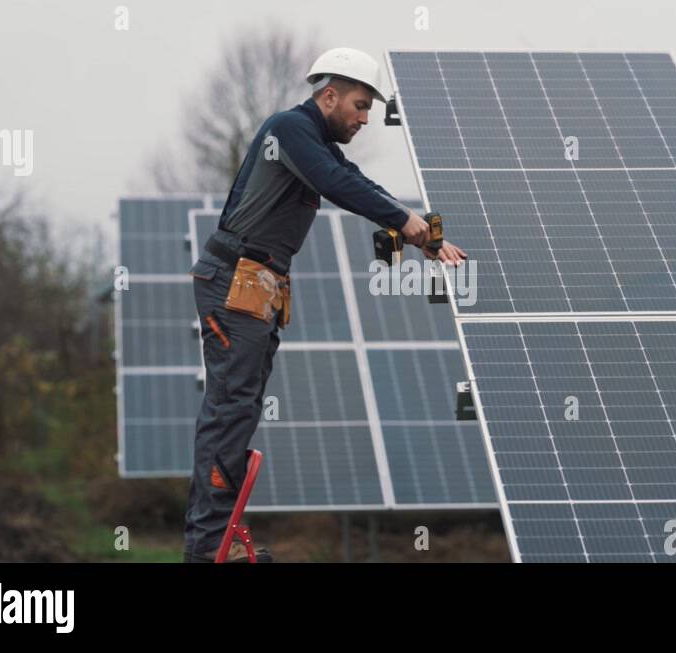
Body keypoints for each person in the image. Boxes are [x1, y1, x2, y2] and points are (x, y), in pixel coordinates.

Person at [182, 47, 466, 562]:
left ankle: (215, 535)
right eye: (359, 106)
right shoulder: (289, 129)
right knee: (229, 408)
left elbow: (355, 181)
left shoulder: (314, 142)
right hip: (234, 281)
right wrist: (402, 220)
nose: (363, 119)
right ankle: (205, 548)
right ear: (328, 95)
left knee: (239, 406)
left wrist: (418, 234)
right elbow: (337, 185)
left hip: (258, 286)